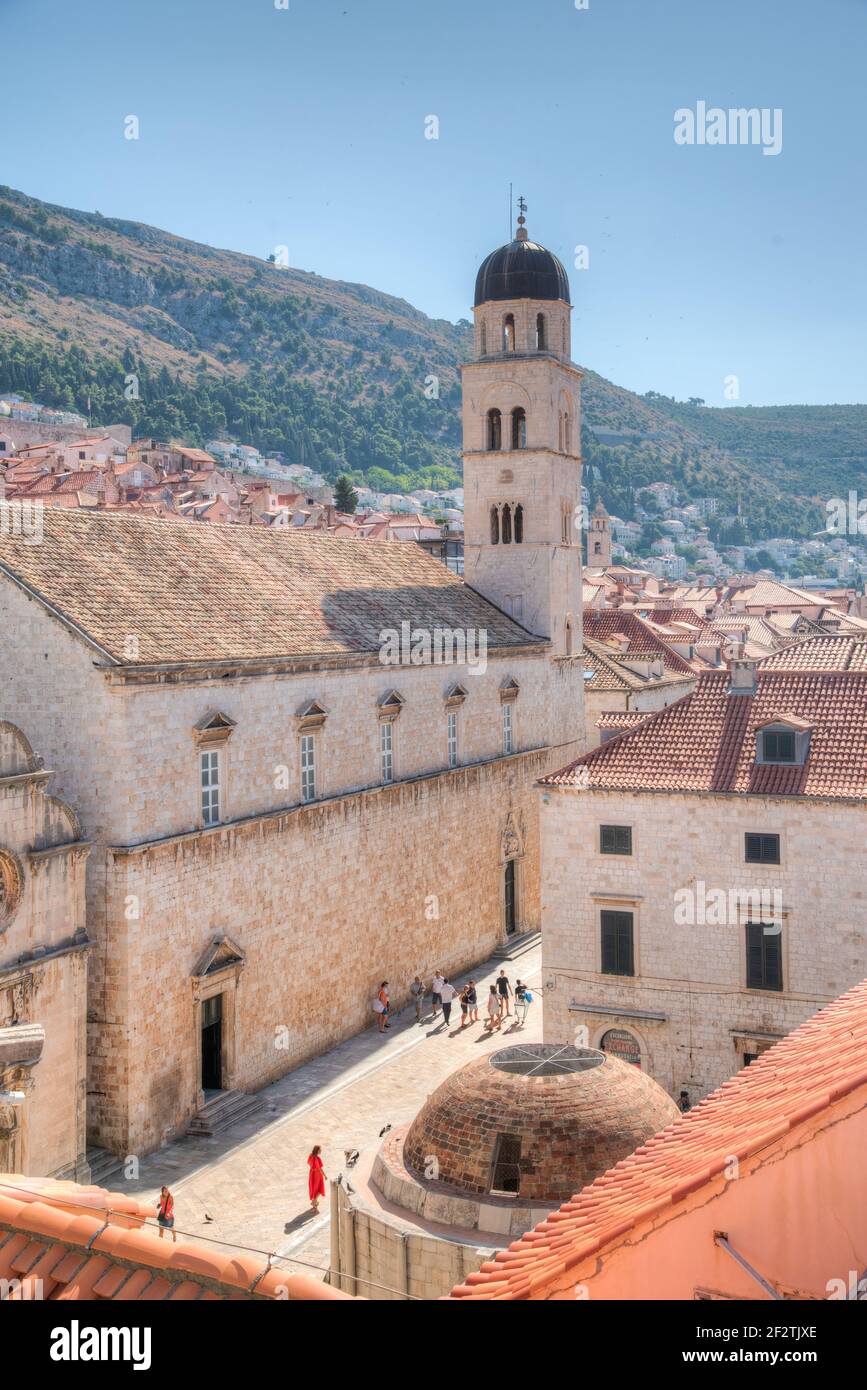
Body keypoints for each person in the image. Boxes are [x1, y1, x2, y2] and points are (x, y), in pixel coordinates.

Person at [308, 1145, 326, 1211]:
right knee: (320, 1189)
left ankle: (315, 1206)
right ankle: (314, 1201)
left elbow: (309, 1163)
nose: (321, 1151)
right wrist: (325, 1175)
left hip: (312, 1174)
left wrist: (312, 1169)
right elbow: (320, 1168)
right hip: (318, 1175)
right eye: (320, 1150)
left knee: (314, 1188)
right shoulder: (318, 1159)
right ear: (317, 1150)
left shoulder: (310, 1156)